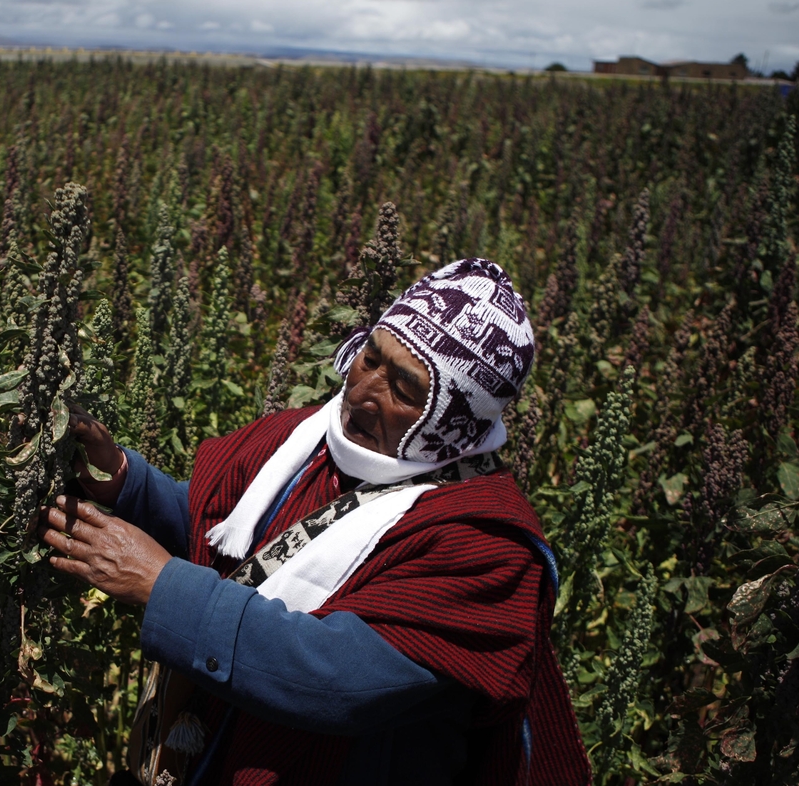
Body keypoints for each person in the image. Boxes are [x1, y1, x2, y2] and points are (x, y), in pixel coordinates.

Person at [37, 258, 591, 785]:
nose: (363, 391)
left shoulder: (485, 545)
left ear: (455, 417)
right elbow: (230, 540)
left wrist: (164, 586)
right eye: (371, 357)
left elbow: (338, 678)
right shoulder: (318, 440)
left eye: (404, 388)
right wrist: (123, 479)